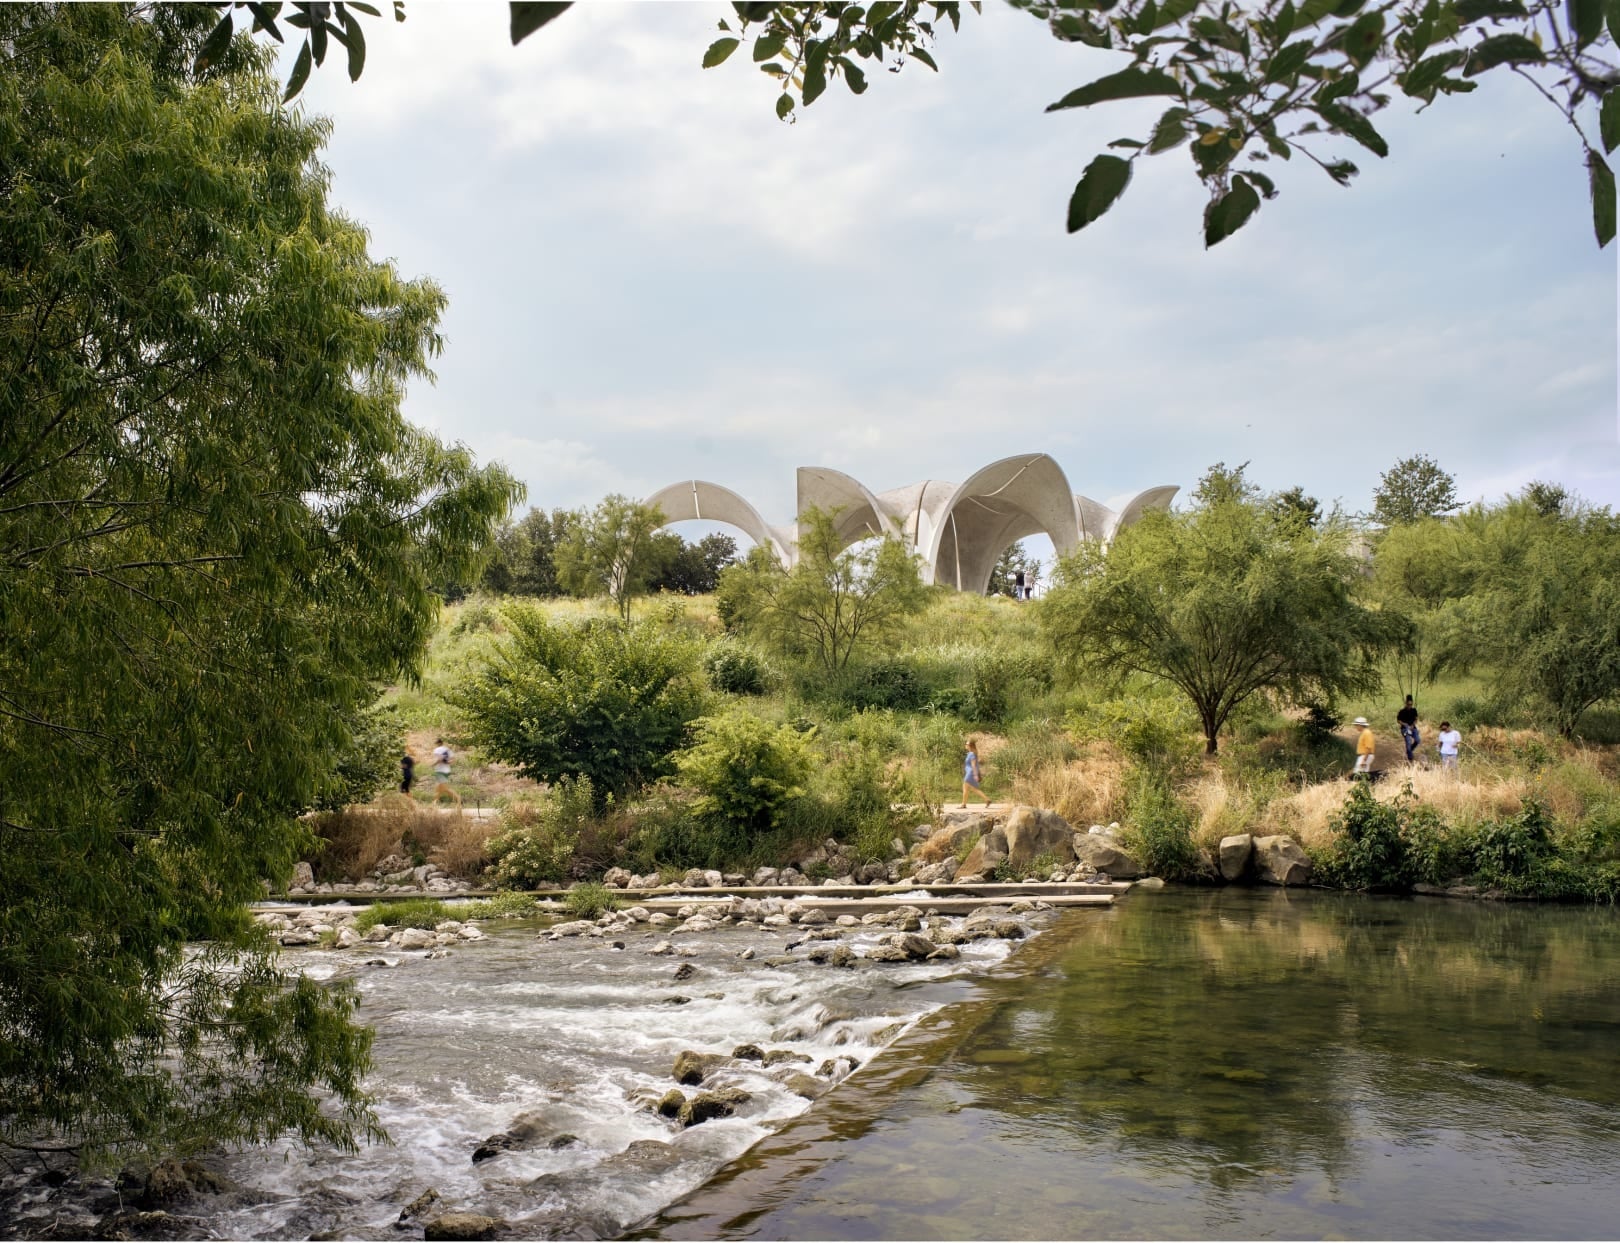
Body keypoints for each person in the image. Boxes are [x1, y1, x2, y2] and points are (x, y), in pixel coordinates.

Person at [961, 737, 990, 808]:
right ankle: (964, 804)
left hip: (970, 774)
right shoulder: (971, 753)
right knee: (968, 788)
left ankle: (987, 799)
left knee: (970, 788)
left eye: (967, 744)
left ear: (970, 745)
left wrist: (975, 775)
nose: (965, 745)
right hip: (970, 773)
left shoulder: (972, 754)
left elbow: (973, 765)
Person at [1397, 694, 1420, 762]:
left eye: (1411, 704)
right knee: (1408, 741)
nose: (1410, 706)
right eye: (1408, 704)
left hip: (1413, 727)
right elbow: (1398, 720)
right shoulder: (1402, 711)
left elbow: (1416, 719)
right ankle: (1410, 758)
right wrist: (1405, 724)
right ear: (1406, 703)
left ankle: (1409, 751)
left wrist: (1413, 725)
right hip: (1404, 728)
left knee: (1418, 740)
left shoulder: (1414, 710)